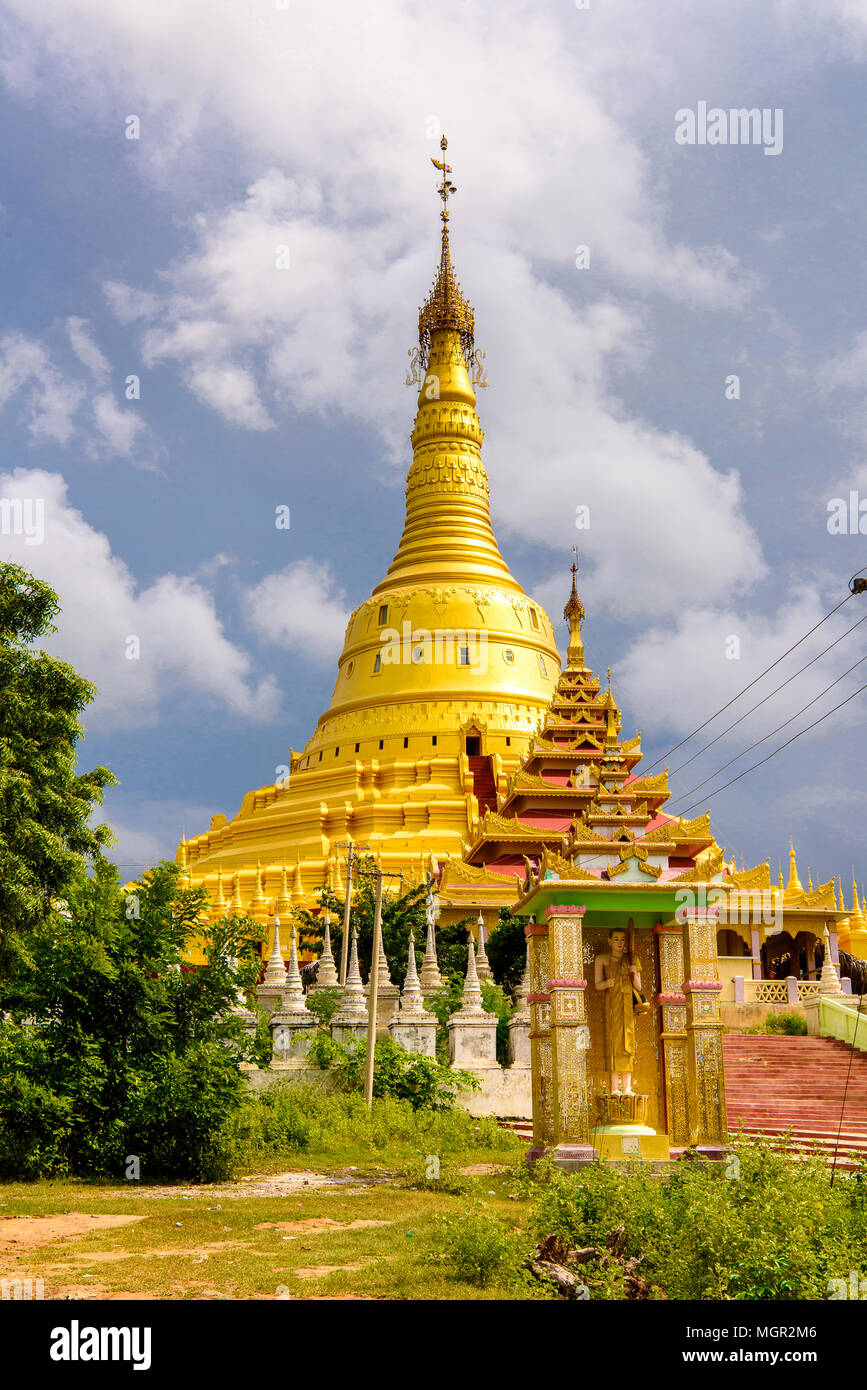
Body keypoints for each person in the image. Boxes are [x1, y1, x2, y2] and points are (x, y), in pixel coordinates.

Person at [594, 927, 641, 1096]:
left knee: (627, 1043)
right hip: (612, 1006)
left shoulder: (632, 959)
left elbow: (639, 987)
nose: (620, 943)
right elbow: (597, 984)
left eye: (622, 940)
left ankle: (627, 1087)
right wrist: (607, 983)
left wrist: (633, 974)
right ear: (609, 941)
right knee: (614, 1042)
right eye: (616, 939)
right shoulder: (602, 959)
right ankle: (614, 1087)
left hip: (627, 1006)